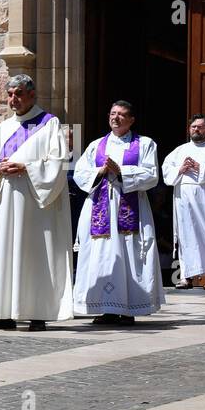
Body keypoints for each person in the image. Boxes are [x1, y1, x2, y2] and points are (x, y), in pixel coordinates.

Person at [0, 74, 73, 331]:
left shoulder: (51, 124)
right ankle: (2, 313)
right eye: (9, 95)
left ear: (31, 94)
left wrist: (26, 167)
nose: (12, 99)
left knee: (34, 254)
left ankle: (37, 313)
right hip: (7, 201)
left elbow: (59, 163)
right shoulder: (4, 128)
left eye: (18, 94)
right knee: (4, 251)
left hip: (36, 206)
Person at [72, 100, 163, 324]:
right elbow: (80, 174)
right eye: (112, 113)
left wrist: (121, 171)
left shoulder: (145, 144)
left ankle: (129, 309)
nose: (115, 117)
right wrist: (101, 170)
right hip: (100, 208)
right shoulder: (95, 145)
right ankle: (107, 308)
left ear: (131, 119)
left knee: (129, 254)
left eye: (121, 114)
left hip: (131, 207)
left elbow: (151, 175)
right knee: (103, 256)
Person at [162, 113, 205, 288]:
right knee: (187, 234)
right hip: (184, 197)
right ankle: (187, 276)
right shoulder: (181, 150)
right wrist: (181, 168)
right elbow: (166, 169)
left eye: (200, 127)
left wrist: (202, 168)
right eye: (193, 127)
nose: (196, 129)